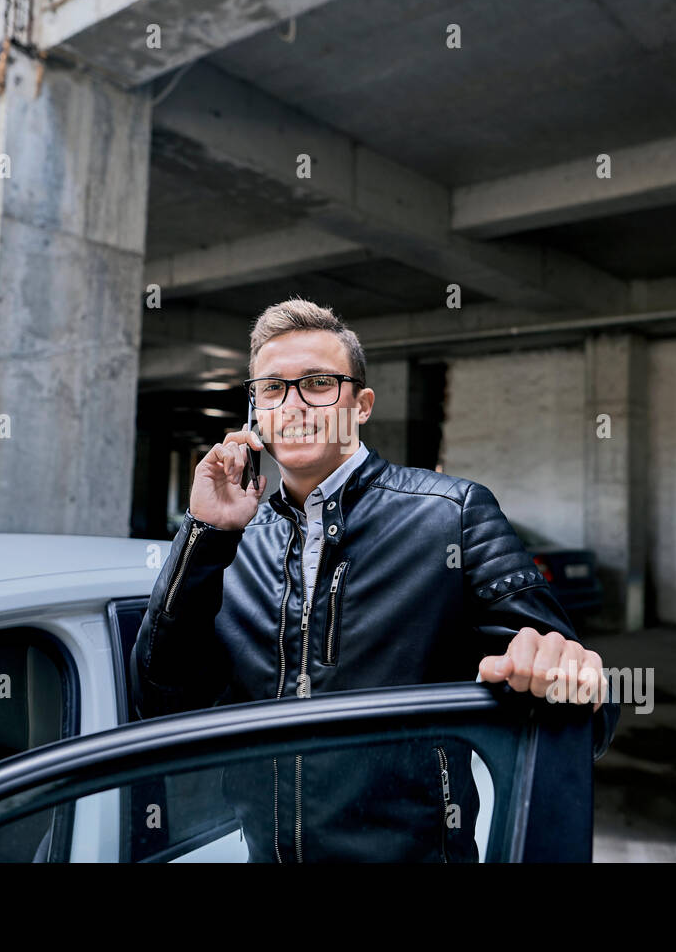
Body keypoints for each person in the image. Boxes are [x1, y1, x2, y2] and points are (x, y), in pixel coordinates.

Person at [130, 297, 619, 861]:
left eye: (317, 383)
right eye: (271, 388)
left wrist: (561, 674)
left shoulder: (450, 514)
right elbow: (160, 703)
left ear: (361, 405)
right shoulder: (231, 542)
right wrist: (203, 534)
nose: (293, 405)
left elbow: (585, 708)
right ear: (255, 412)